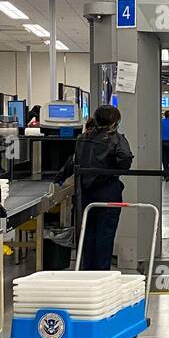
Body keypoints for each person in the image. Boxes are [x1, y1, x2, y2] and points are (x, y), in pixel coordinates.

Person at [56, 105, 133, 271]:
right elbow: (125, 160)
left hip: (84, 193)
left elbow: (72, 162)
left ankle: (86, 271)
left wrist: (58, 180)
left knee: (86, 232)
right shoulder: (116, 139)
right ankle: (102, 273)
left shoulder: (83, 138)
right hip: (108, 192)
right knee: (105, 235)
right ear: (116, 121)